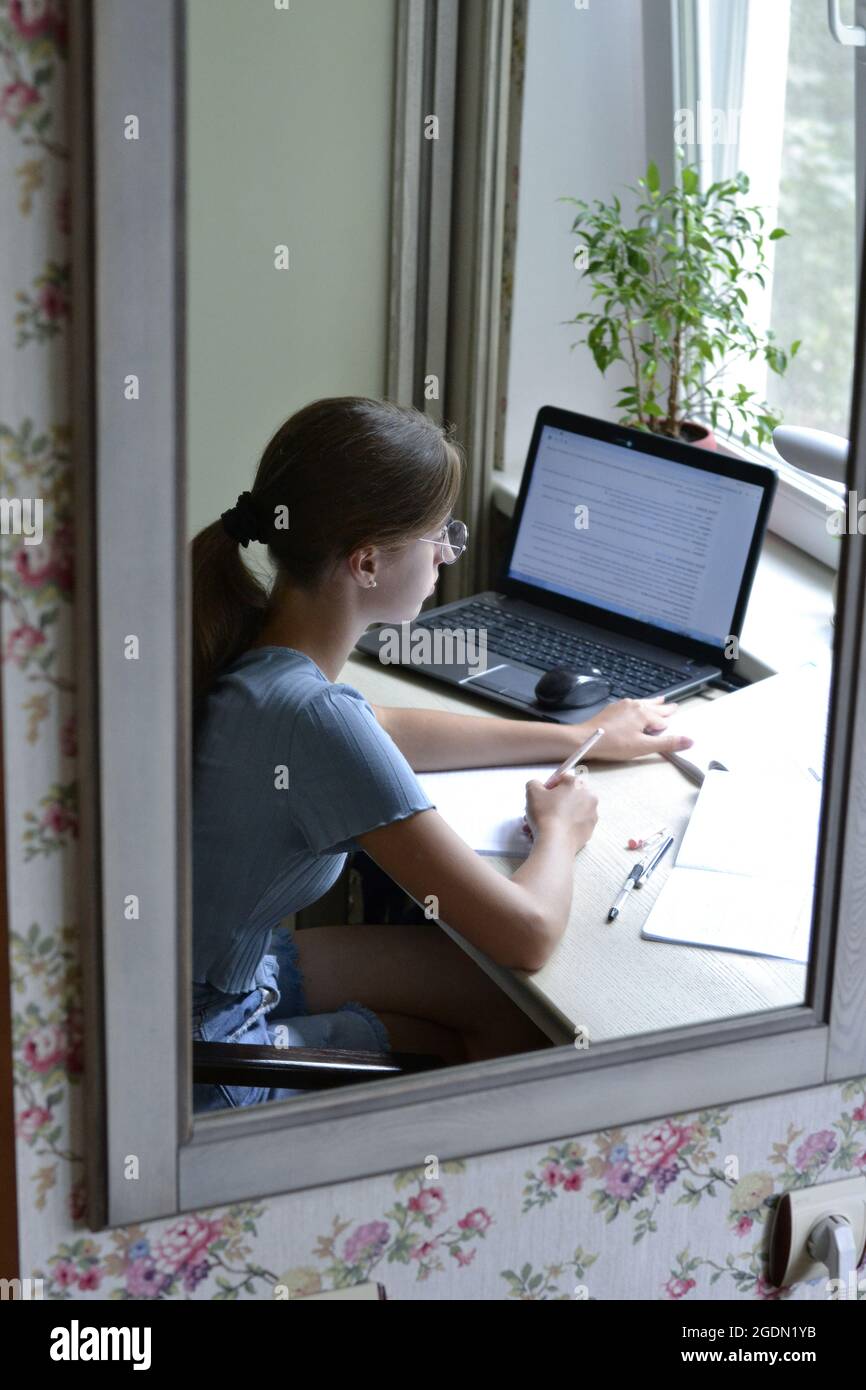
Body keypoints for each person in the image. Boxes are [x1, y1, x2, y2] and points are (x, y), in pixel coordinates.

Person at [191, 396, 694, 1112]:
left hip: (211, 977)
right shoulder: (310, 714)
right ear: (366, 561)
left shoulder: (255, 642)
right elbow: (526, 935)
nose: (448, 553)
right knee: (504, 1040)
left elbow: (383, 726)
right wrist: (559, 832)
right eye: (438, 535)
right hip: (212, 1051)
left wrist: (578, 739)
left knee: (478, 993)